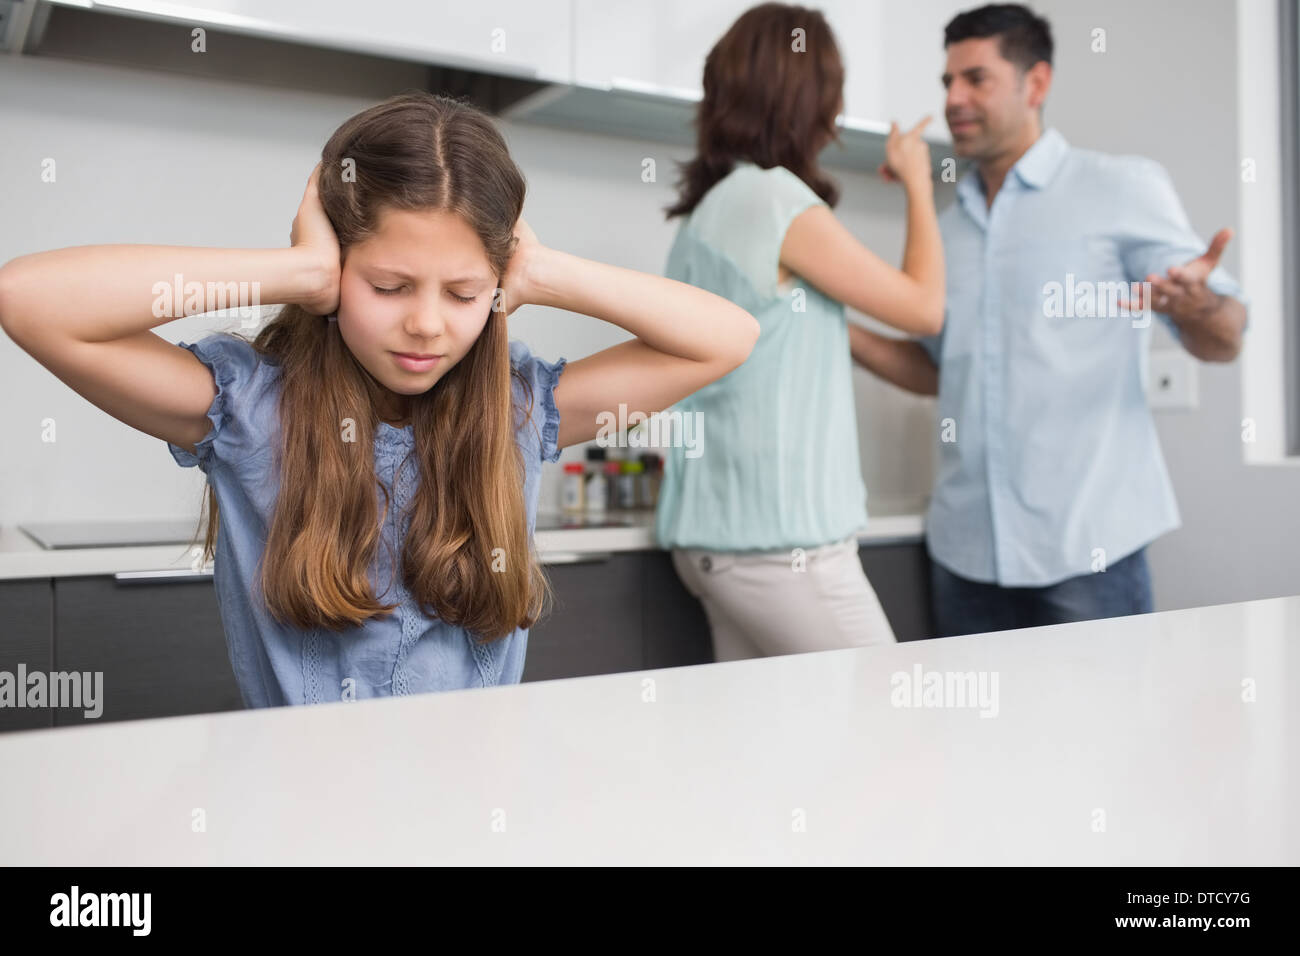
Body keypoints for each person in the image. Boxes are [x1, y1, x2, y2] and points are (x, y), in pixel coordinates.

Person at [0, 91, 759, 706]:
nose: (426, 323)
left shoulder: (519, 409)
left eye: (463, 293)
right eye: (388, 287)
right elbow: (29, 300)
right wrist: (296, 271)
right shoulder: (250, 411)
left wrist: (545, 271)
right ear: (336, 271)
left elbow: (726, 337)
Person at [847, 4, 1248, 637]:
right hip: (965, 554)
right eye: (946, 82)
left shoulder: (1119, 187)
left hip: (1088, 550)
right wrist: (832, 327)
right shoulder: (942, 230)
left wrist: (1200, 307)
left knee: (1102, 735)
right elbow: (934, 371)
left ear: (1036, 84)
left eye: (975, 78)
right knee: (972, 737)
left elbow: (1225, 339)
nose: (953, 99)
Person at [656, 3, 945, 661]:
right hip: (785, 549)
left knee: (773, 752)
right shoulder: (775, 200)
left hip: (712, 545)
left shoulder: (705, 216)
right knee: (894, 727)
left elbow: (782, 337)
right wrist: (920, 185)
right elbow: (926, 310)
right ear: (811, 98)